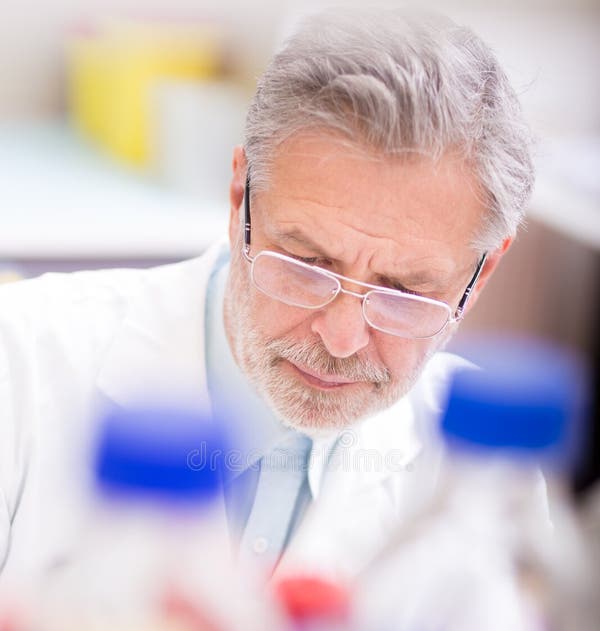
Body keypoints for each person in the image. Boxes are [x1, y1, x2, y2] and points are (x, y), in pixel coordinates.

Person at [0, 8, 536, 583]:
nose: (342, 336)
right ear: (239, 199)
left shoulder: (492, 478)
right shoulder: (22, 364)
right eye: (306, 264)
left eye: (404, 291)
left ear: (480, 275)